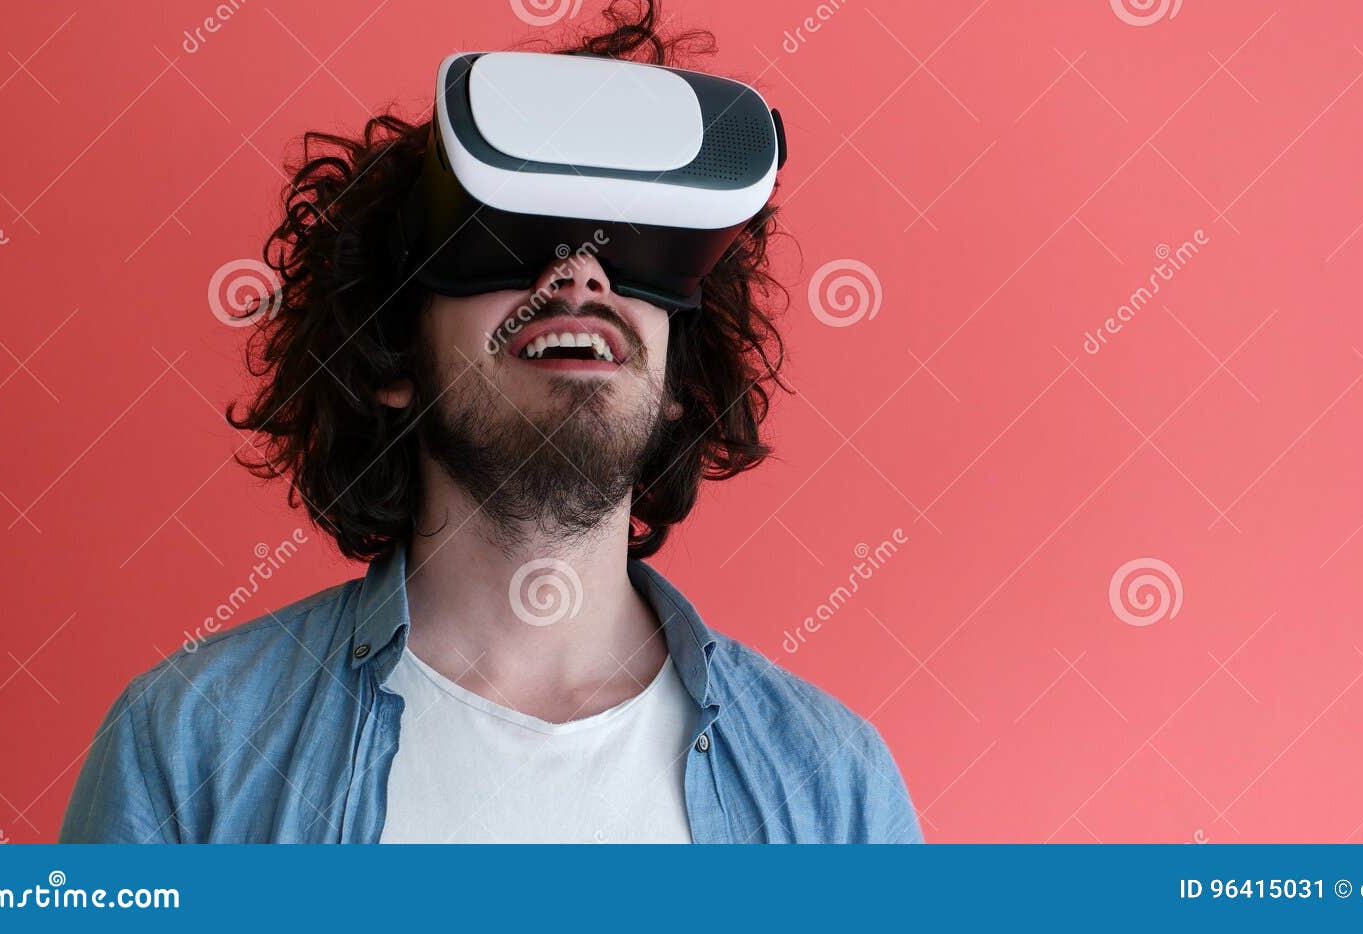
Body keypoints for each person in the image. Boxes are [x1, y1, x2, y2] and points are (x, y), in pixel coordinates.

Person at [60, 0, 919, 844]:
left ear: (676, 383)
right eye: (512, 237)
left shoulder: (834, 788)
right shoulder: (191, 745)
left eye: (633, 250)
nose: (580, 275)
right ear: (394, 359)